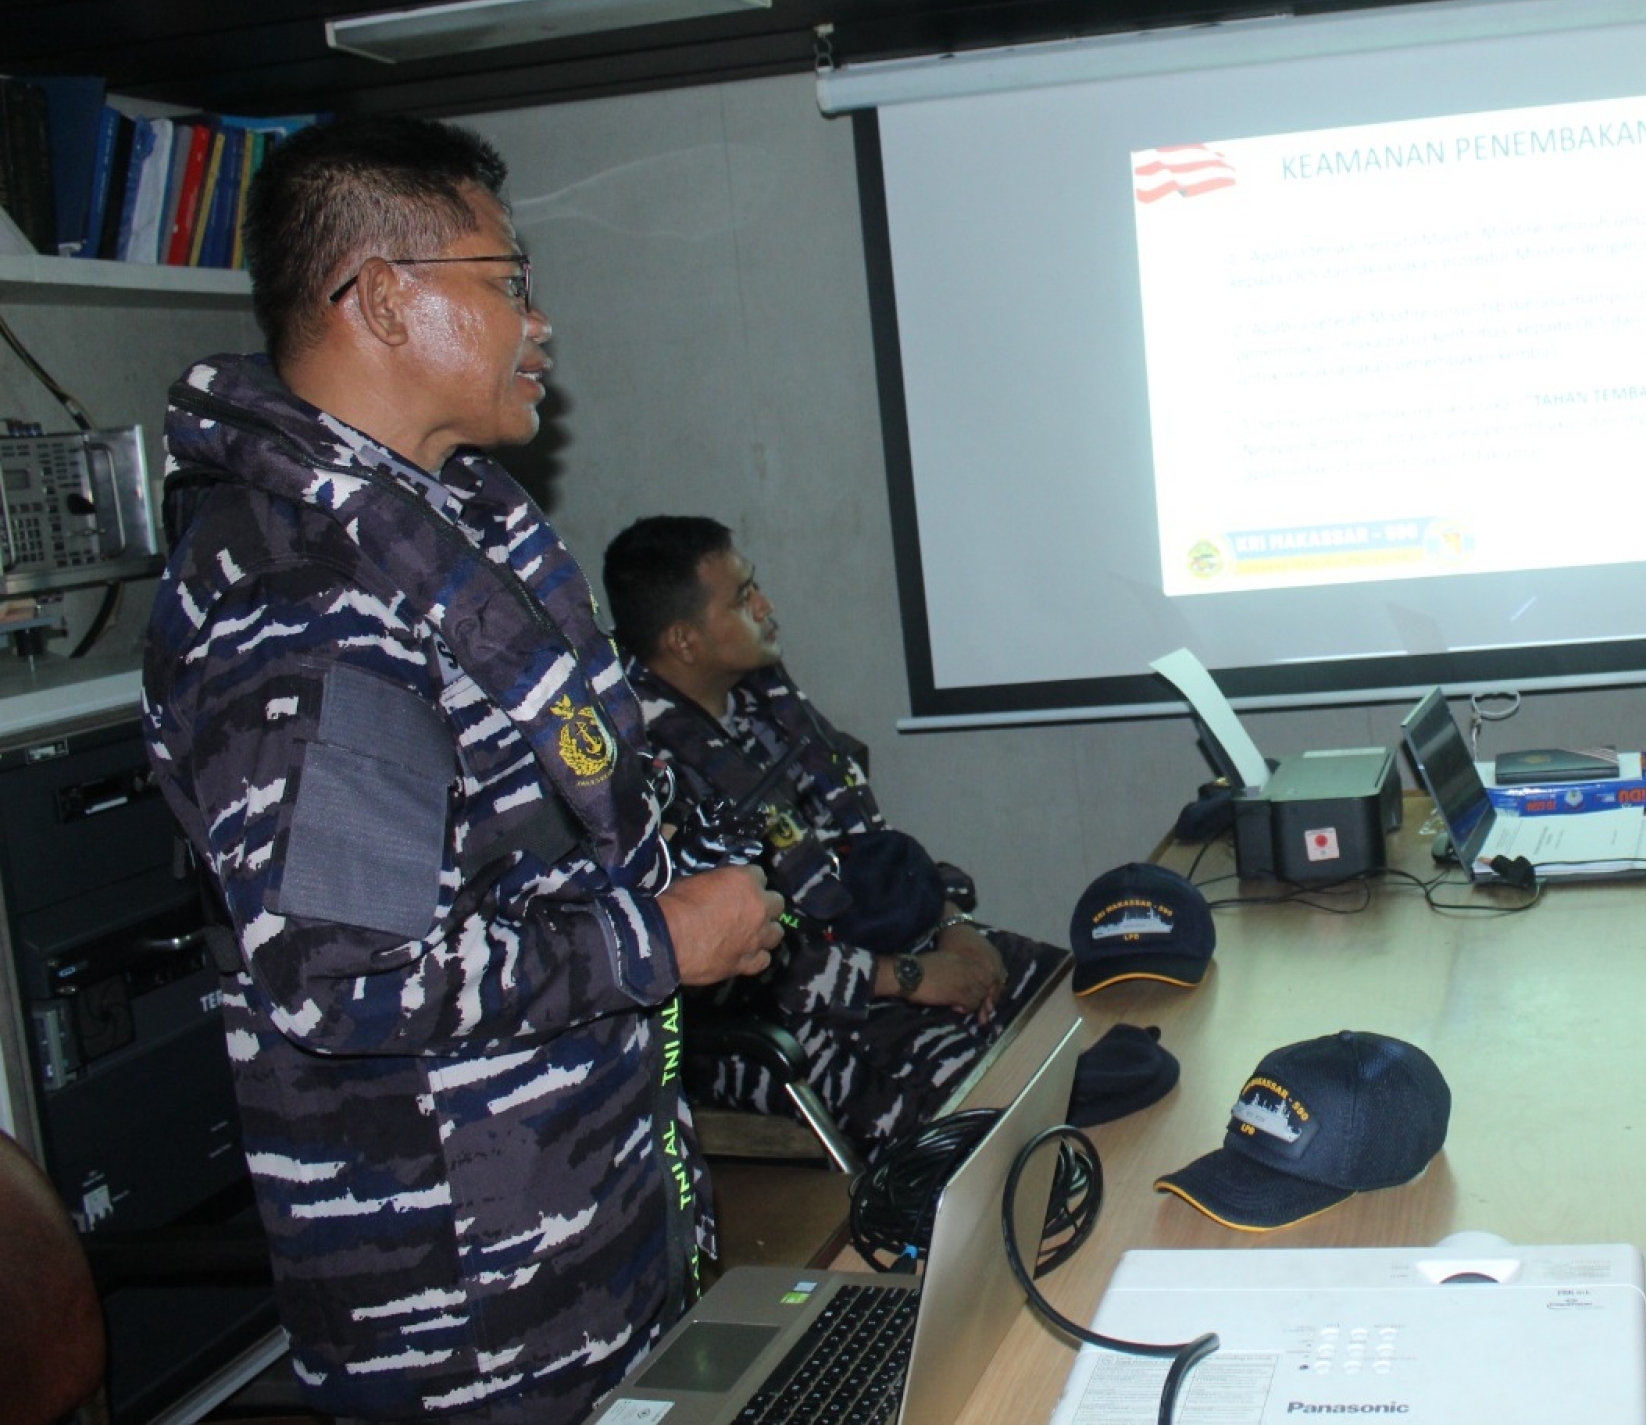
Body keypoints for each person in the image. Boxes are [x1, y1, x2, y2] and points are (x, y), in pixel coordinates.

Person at [140, 119, 786, 1422]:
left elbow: (547, 836)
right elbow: (350, 976)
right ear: (384, 298)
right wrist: (658, 941)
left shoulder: (433, 534)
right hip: (474, 1310)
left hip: (577, 1217)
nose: (538, 323)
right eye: (507, 280)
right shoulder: (316, 599)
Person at [602, 515, 1066, 1151]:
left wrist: (953, 927)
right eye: (742, 598)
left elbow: (874, 852)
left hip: (888, 953)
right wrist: (912, 977)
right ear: (683, 641)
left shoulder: (763, 698)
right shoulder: (641, 771)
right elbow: (736, 962)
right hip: (779, 1009)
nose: (765, 607)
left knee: (1073, 1000)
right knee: (986, 1110)